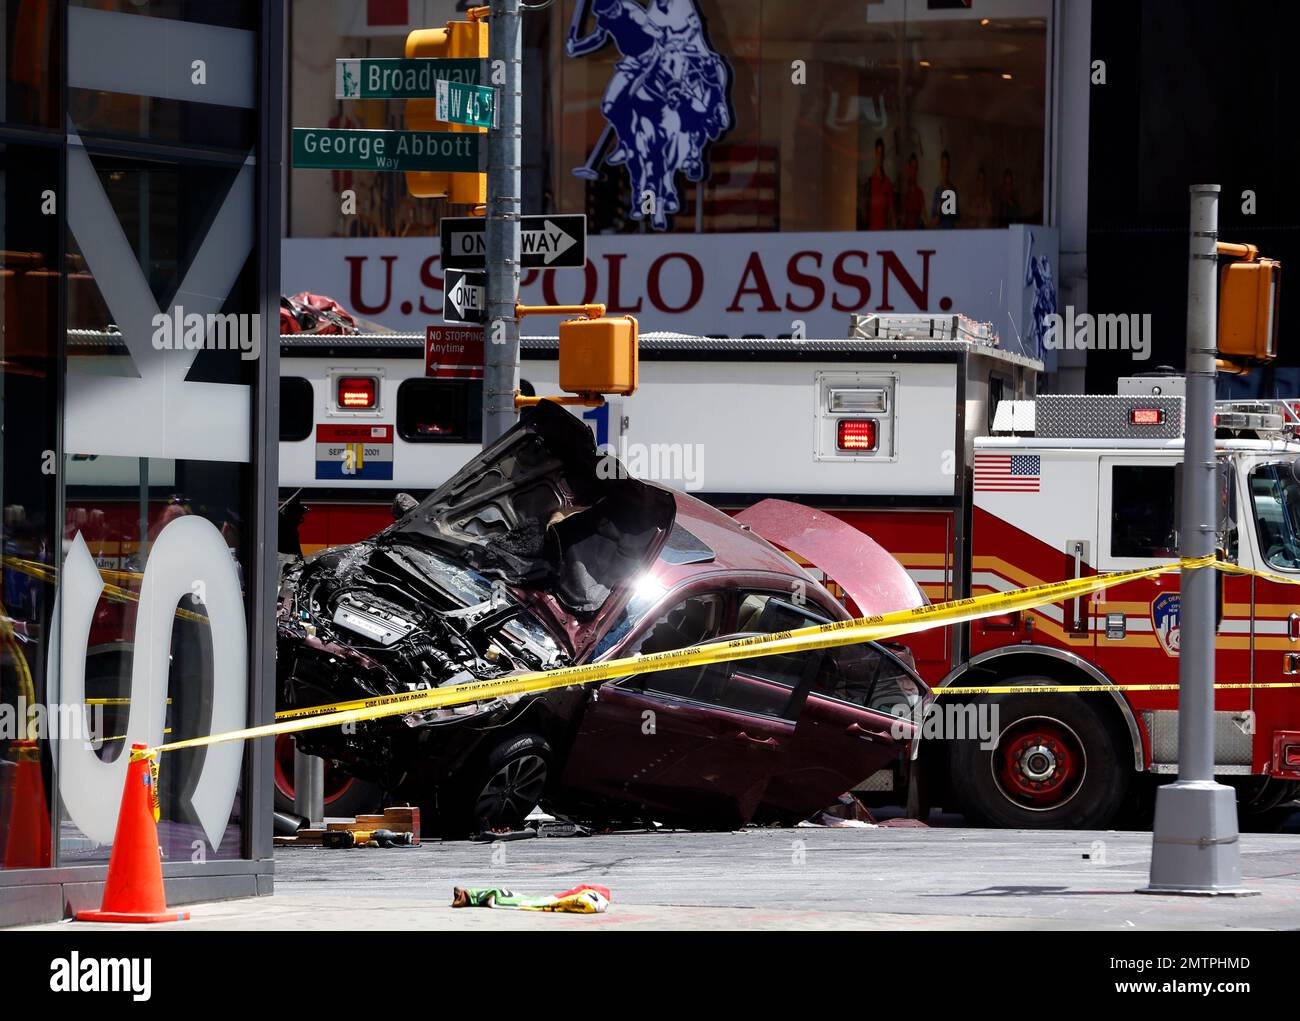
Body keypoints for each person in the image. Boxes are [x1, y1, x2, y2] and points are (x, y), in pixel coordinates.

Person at [861, 137, 894, 230]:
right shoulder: (869, 182)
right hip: (871, 234)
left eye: (881, 154)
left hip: (884, 234)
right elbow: (864, 214)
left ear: (883, 156)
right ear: (875, 154)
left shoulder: (887, 182)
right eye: (878, 153)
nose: (879, 157)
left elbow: (891, 212)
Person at [931, 149, 958, 228]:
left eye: (947, 167)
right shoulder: (937, 191)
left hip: (951, 234)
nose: (945, 170)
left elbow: (956, 219)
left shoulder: (953, 190)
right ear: (941, 167)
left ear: (949, 168)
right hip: (939, 234)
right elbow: (934, 220)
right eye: (943, 167)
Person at [899, 152, 926, 229]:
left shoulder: (920, 192)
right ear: (909, 169)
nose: (914, 172)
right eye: (912, 168)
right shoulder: (904, 192)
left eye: (916, 168)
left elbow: (925, 215)